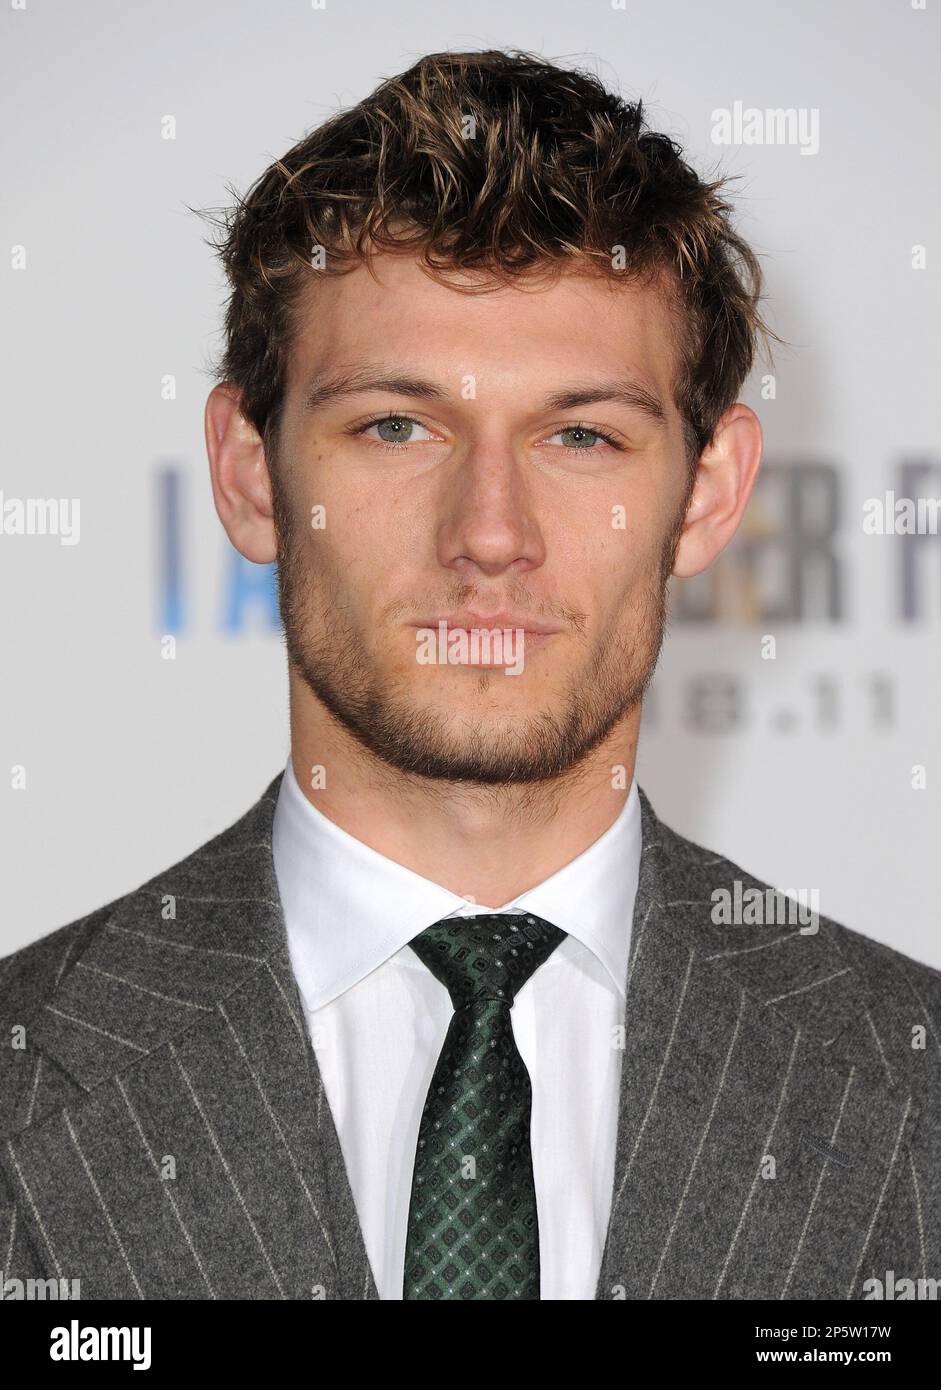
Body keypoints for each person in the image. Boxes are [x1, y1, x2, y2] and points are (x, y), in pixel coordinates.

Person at [2, 49, 938, 1302]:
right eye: (396, 424)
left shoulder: (909, 1083)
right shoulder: (27, 1070)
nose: (489, 532)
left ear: (707, 495)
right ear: (244, 471)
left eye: (580, 435)